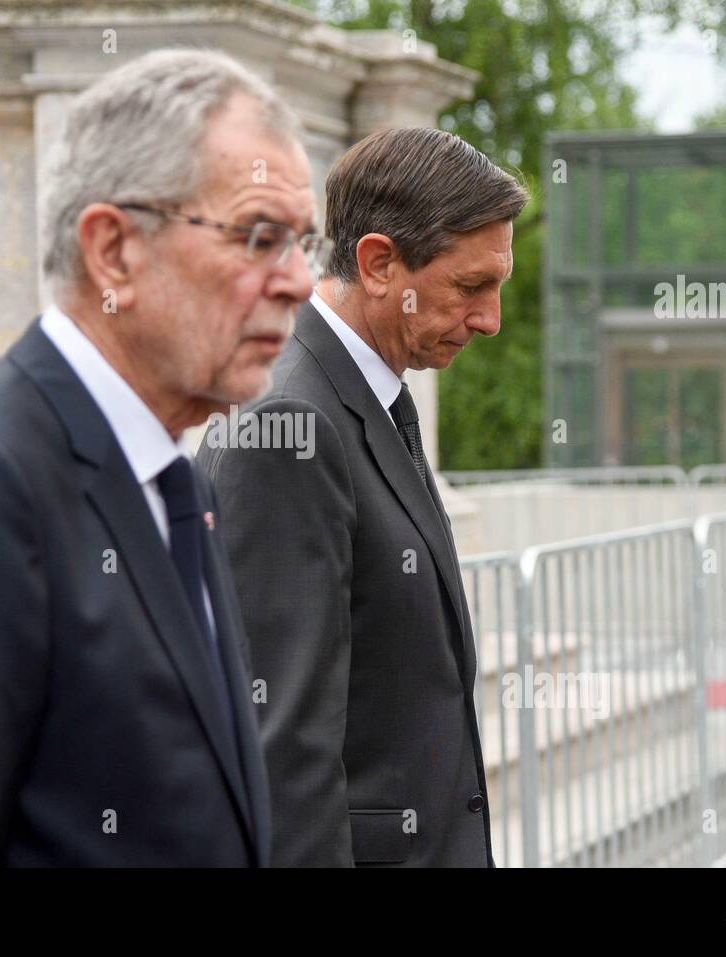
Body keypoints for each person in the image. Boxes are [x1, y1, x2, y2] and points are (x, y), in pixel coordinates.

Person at [0, 49, 326, 866]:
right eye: (261, 236)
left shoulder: (175, 479)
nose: (300, 280)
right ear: (114, 252)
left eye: (303, 242)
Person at [199, 127, 528, 866]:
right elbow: (280, 747)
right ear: (380, 264)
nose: (490, 318)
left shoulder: (363, 398)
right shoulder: (289, 425)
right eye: (470, 286)